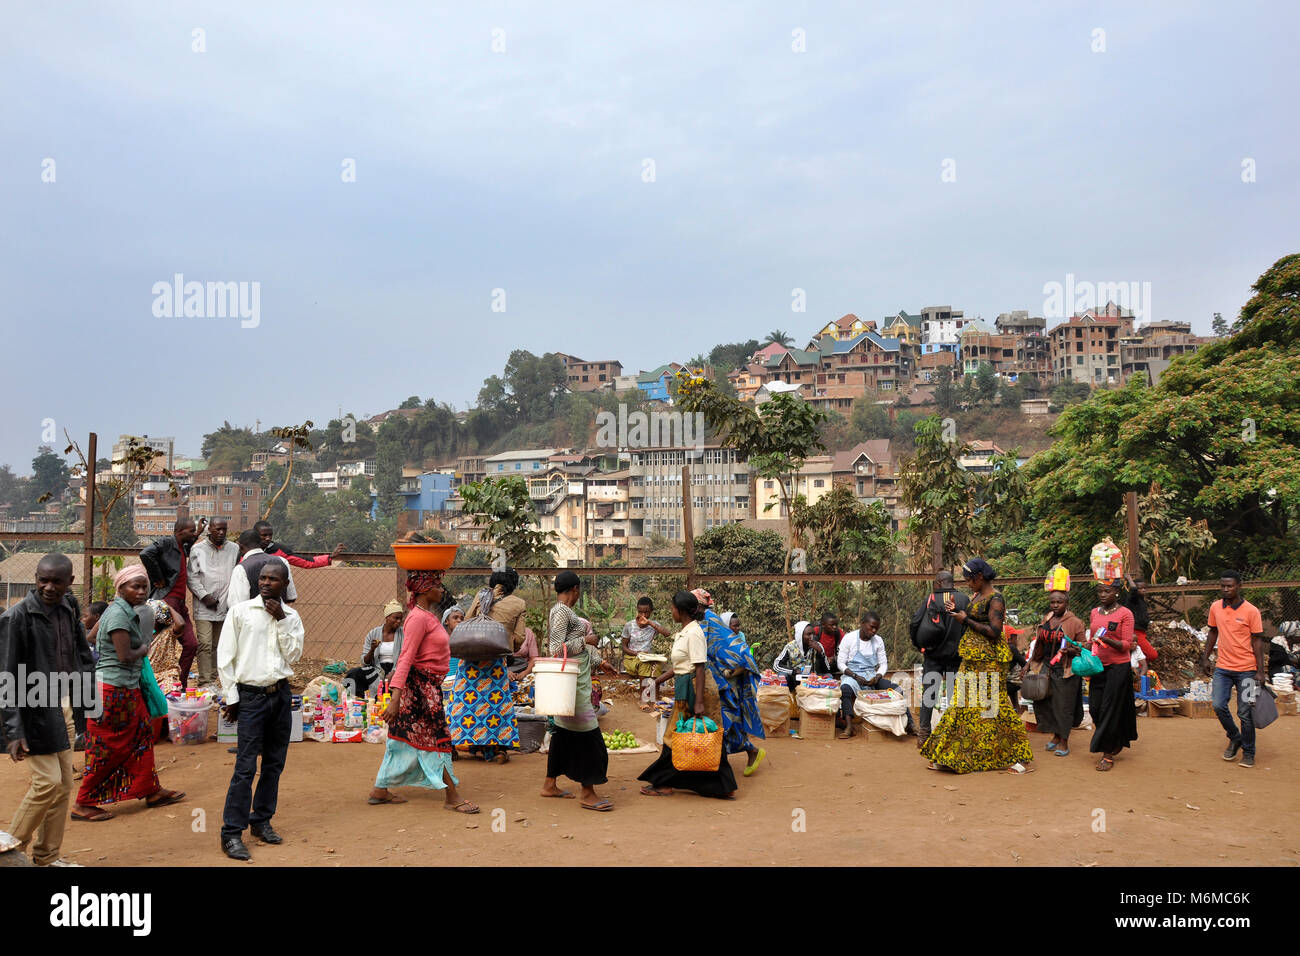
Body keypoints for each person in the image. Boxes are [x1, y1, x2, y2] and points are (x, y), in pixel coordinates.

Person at [1, 553, 95, 866]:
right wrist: (14, 731)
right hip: (34, 710)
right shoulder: (17, 617)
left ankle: (46, 857)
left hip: (62, 707)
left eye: (57, 581)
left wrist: (88, 706)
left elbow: (81, 656)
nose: (49, 586)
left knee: (64, 785)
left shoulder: (69, 607)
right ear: (36, 578)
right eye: (43, 579)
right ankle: (7, 850)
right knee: (48, 783)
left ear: (71, 583)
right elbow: (6, 675)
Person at [73, 564, 185, 822]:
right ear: (121, 588)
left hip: (124, 687)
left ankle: (150, 789)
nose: (141, 590)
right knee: (108, 746)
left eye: (144, 586)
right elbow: (125, 656)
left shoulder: (118, 609)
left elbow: (91, 636)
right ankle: (83, 802)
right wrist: (143, 649)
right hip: (112, 691)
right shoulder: (119, 615)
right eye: (135, 586)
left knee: (141, 736)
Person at [367, 570, 478, 814]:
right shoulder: (418, 619)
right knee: (438, 737)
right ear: (425, 590)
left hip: (424, 686)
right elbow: (405, 658)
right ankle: (452, 796)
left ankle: (380, 789)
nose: (441, 589)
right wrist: (395, 699)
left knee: (401, 736)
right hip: (420, 688)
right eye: (437, 585)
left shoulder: (427, 616)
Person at [217, 560, 305, 860]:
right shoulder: (240, 612)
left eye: (273, 579)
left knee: (274, 763)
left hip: (279, 695)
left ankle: (261, 820)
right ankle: (231, 833)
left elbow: (293, 656)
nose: (266, 583)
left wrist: (280, 619)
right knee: (245, 767)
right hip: (251, 697)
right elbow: (225, 657)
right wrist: (232, 697)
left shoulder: (291, 616)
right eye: (263, 578)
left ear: (284, 583)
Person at [920, 559, 1032, 774]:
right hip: (971, 658)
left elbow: (995, 631)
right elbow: (974, 616)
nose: (967, 583)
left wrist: (965, 620)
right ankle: (949, 755)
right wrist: (958, 612)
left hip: (989, 661)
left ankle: (1022, 758)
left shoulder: (996, 598)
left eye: (969, 579)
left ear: (980, 577)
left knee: (994, 707)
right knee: (961, 705)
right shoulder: (978, 596)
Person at [638, 591, 739, 799]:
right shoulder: (686, 631)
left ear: (681, 611)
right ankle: (721, 785)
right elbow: (680, 665)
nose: (671, 611)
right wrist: (656, 682)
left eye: (673, 608)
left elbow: (699, 667)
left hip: (694, 688)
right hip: (687, 686)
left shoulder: (694, 633)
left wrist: (699, 702)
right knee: (692, 733)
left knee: (679, 734)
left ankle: (664, 782)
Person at [540, 571, 612, 811]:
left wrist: (598, 662)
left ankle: (550, 784)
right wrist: (587, 641)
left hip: (574, 681)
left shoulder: (563, 612)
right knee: (591, 738)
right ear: (575, 590)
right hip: (572, 686)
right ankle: (588, 792)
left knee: (562, 734)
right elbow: (555, 649)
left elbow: (573, 652)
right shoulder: (561, 611)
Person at [448, 570, 526, 764]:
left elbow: (467, 621)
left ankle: (449, 745)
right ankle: (493, 750)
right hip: (496, 661)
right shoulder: (518, 604)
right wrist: (505, 642)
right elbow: (520, 638)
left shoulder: (481, 595)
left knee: (463, 703)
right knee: (493, 705)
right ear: (513, 585)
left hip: (471, 660)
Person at [1200, 570, 1266, 769]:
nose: (1226, 589)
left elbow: (1257, 641)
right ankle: (1234, 737)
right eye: (1222, 586)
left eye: (1230, 586)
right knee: (1219, 705)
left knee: (1245, 713)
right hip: (1223, 668)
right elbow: (1213, 632)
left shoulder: (1251, 611)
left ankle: (1249, 752)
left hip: (1247, 669)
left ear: (1239, 586)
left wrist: (1260, 671)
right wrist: (1205, 657)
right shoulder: (1215, 607)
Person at [694, 590, 765, 776]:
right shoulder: (702, 621)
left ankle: (728, 763)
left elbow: (725, 650)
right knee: (720, 722)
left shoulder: (709, 620)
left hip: (721, 682)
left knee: (723, 722)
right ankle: (738, 755)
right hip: (712, 679)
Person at [909, 570, 969, 749]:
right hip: (955, 657)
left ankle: (923, 735)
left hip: (933, 656)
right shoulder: (964, 600)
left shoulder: (932, 599)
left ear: (938, 583)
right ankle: (953, 734)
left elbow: (914, 622)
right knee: (954, 695)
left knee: (929, 694)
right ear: (952, 583)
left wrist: (918, 644)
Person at [139, 518, 199, 689]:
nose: (194, 534)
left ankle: (180, 683)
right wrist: (158, 577)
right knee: (161, 645)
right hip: (167, 601)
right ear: (180, 531)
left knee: (191, 645)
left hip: (179, 603)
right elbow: (145, 553)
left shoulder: (182, 547)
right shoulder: (167, 543)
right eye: (191, 530)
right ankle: (156, 683)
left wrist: (199, 532)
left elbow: (190, 543)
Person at [836, 611, 916, 739]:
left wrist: (877, 677)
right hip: (853, 676)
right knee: (845, 690)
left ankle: (910, 724)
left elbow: (883, 664)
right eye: (871, 627)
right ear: (862, 624)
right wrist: (856, 677)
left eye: (876, 628)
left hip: (871, 676)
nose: (874, 631)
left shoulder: (878, 641)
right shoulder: (849, 638)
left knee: (897, 690)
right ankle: (849, 727)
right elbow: (840, 663)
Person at [1026, 590, 1086, 756]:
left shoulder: (1075, 622)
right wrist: (1029, 664)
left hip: (1066, 669)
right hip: (1045, 666)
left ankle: (1064, 741)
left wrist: (1072, 649)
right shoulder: (1047, 618)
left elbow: (1084, 645)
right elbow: (1039, 643)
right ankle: (1055, 736)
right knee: (1045, 702)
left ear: (1066, 603)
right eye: (1052, 602)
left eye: (1059, 602)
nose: (1055, 605)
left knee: (1063, 706)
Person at [1088, 579, 1138, 772]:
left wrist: (1106, 639)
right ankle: (1114, 738)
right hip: (1098, 665)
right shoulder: (1094, 612)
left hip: (1118, 667)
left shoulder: (1125, 614)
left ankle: (1107, 754)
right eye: (1100, 591)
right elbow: (1093, 640)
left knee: (1109, 708)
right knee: (1094, 708)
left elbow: (1126, 644)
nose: (1102, 595)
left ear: (1116, 592)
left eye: (1106, 591)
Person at [187, 517, 240, 692]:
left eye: (224, 529)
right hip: (204, 606)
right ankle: (204, 682)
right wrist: (204, 596)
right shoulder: (198, 549)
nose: (221, 533)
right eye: (217, 529)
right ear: (209, 529)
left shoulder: (233, 549)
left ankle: (213, 680)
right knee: (204, 644)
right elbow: (192, 577)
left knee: (219, 645)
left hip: (225, 605)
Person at [344, 600, 405, 698]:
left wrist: (394, 672)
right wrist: (372, 649)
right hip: (377, 670)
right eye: (396, 618)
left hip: (397, 669)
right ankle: (362, 699)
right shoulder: (373, 634)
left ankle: (383, 697)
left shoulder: (403, 634)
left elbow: (405, 657)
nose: (399, 621)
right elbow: (365, 662)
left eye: (400, 619)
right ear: (387, 617)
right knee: (354, 673)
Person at [622, 597, 671, 710]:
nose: (643, 614)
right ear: (637, 610)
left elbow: (667, 634)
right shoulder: (629, 625)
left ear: (651, 612)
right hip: (631, 658)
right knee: (644, 665)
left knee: (656, 665)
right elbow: (624, 647)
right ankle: (643, 699)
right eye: (640, 612)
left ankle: (654, 699)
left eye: (646, 612)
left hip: (648, 658)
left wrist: (650, 623)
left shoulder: (653, 625)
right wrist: (636, 653)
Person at [226, 530, 298, 605]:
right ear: (260, 544)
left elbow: (236, 605)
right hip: (279, 614)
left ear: (240, 546)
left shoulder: (241, 568)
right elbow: (291, 597)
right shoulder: (282, 561)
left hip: (252, 615)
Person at [254, 520, 343, 570]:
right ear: (255, 535)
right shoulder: (246, 549)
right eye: (264, 535)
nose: (268, 538)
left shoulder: (279, 550)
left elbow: (306, 562)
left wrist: (330, 556)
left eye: (270, 535)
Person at [773, 621, 832, 691]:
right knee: (782, 675)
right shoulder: (790, 647)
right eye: (809, 634)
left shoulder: (818, 646)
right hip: (794, 679)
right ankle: (785, 697)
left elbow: (827, 669)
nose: (812, 637)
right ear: (800, 636)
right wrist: (793, 671)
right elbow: (776, 665)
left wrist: (821, 652)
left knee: (829, 676)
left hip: (812, 680)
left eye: (813, 634)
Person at [1123, 573, 1158, 662]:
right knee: (1152, 655)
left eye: (1144, 588)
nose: (1143, 590)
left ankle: (1136, 665)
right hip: (1135, 632)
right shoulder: (1133, 599)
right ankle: (1136, 665)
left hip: (1141, 632)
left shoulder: (1142, 600)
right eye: (1140, 588)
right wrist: (1129, 578)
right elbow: (1134, 589)